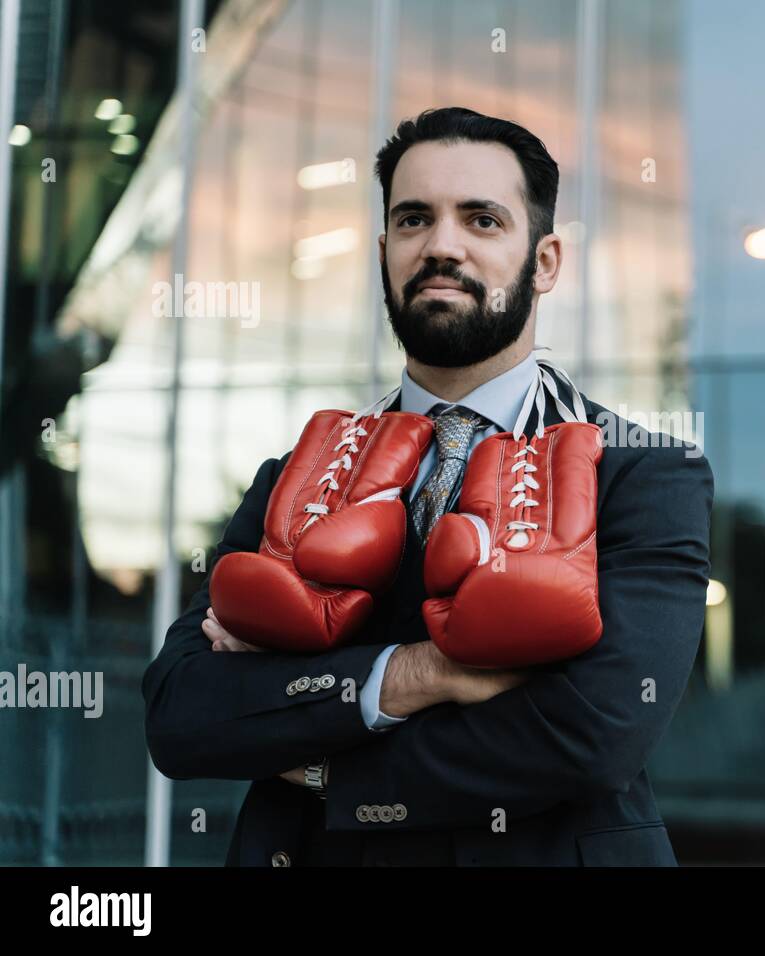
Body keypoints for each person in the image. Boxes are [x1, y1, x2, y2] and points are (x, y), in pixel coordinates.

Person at [141, 106, 714, 866]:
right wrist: (419, 675)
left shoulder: (643, 476)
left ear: (544, 262)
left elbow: (592, 735)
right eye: (414, 220)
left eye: (481, 220)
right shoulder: (294, 480)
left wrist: (316, 761)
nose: (441, 246)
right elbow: (183, 715)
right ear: (384, 252)